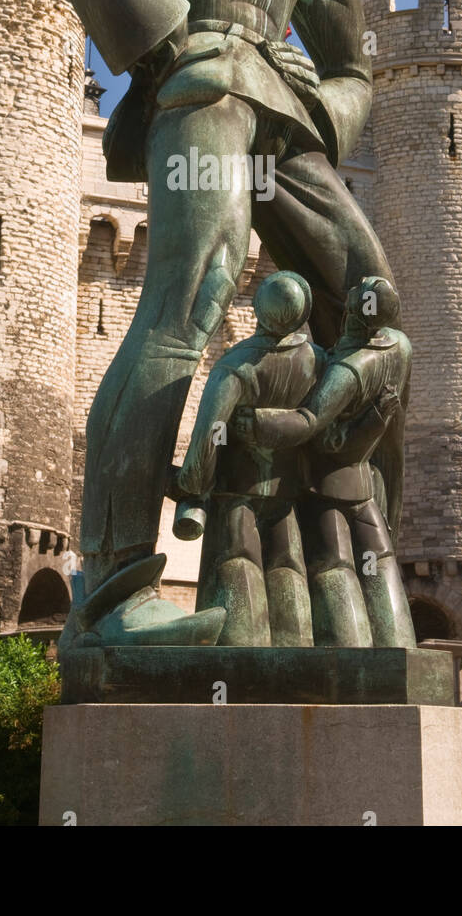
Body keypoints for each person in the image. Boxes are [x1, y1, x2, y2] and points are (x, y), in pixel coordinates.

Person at [34, 0, 401, 638]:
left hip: (285, 120)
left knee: (372, 311)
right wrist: (166, 41)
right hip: (201, 87)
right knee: (187, 299)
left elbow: (354, 67)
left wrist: (323, 108)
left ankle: (310, 577)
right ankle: (111, 592)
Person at [232, 278, 416, 648]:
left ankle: (350, 658)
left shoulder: (348, 370)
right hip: (364, 480)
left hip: (326, 484)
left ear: (356, 316)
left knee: (335, 567)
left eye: (350, 309)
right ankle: (398, 652)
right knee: (379, 562)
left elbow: (308, 421)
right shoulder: (400, 347)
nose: (344, 314)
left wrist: (258, 423)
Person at [173, 271, 322, 646]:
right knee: (288, 569)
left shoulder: (236, 366)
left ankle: (241, 664)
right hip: (288, 494)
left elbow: (209, 435)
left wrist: (190, 483)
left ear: (257, 309)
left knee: (237, 565)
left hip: (237, 493)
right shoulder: (319, 363)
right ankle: (296, 663)